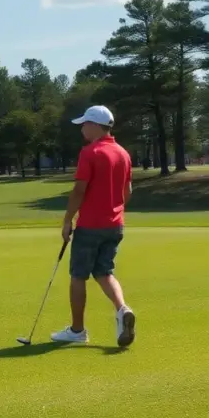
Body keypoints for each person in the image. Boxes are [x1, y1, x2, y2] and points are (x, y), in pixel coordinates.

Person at [51, 105, 136, 348]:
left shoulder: (90, 153)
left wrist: (68, 220)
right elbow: (127, 192)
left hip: (90, 226)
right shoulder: (123, 153)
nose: (82, 129)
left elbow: (79, 190)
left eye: (85, 124)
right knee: (104, 272)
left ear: (96, 126)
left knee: (78, 276)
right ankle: (122, 310)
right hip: (115, 226)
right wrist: (114, 209)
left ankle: (77, 330)